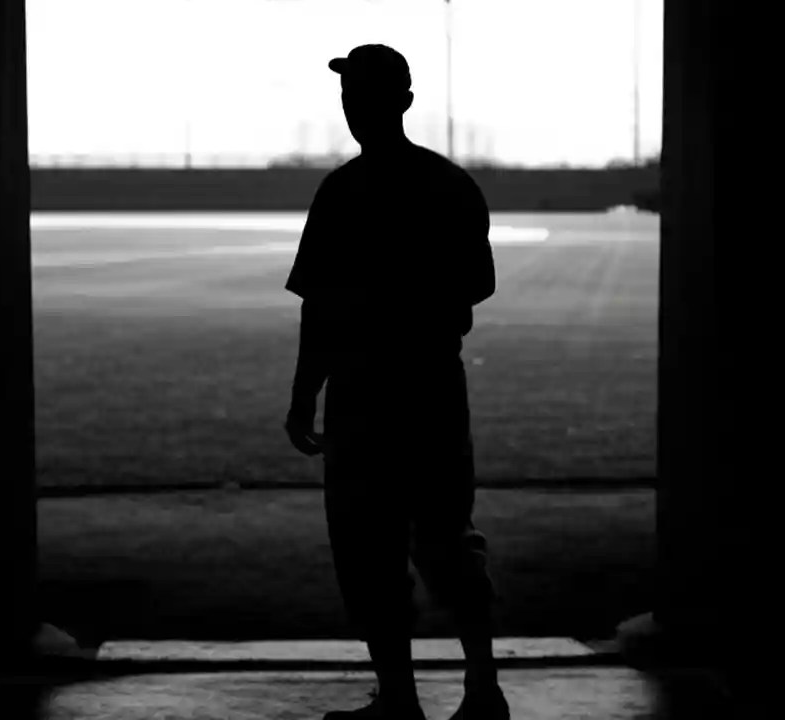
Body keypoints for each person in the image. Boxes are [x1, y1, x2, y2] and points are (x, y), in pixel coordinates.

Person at [283, 44, 511, 720]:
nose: (353, 107)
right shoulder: (450, 184)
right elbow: (481, 284)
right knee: (447, 535)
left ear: (384, 102)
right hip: (434, 384)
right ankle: (482, 688)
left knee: (367, 545)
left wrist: (304, 396)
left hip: (363, 391)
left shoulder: (343, 191)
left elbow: (318, 307)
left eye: (358, 94)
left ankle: (402, 701)